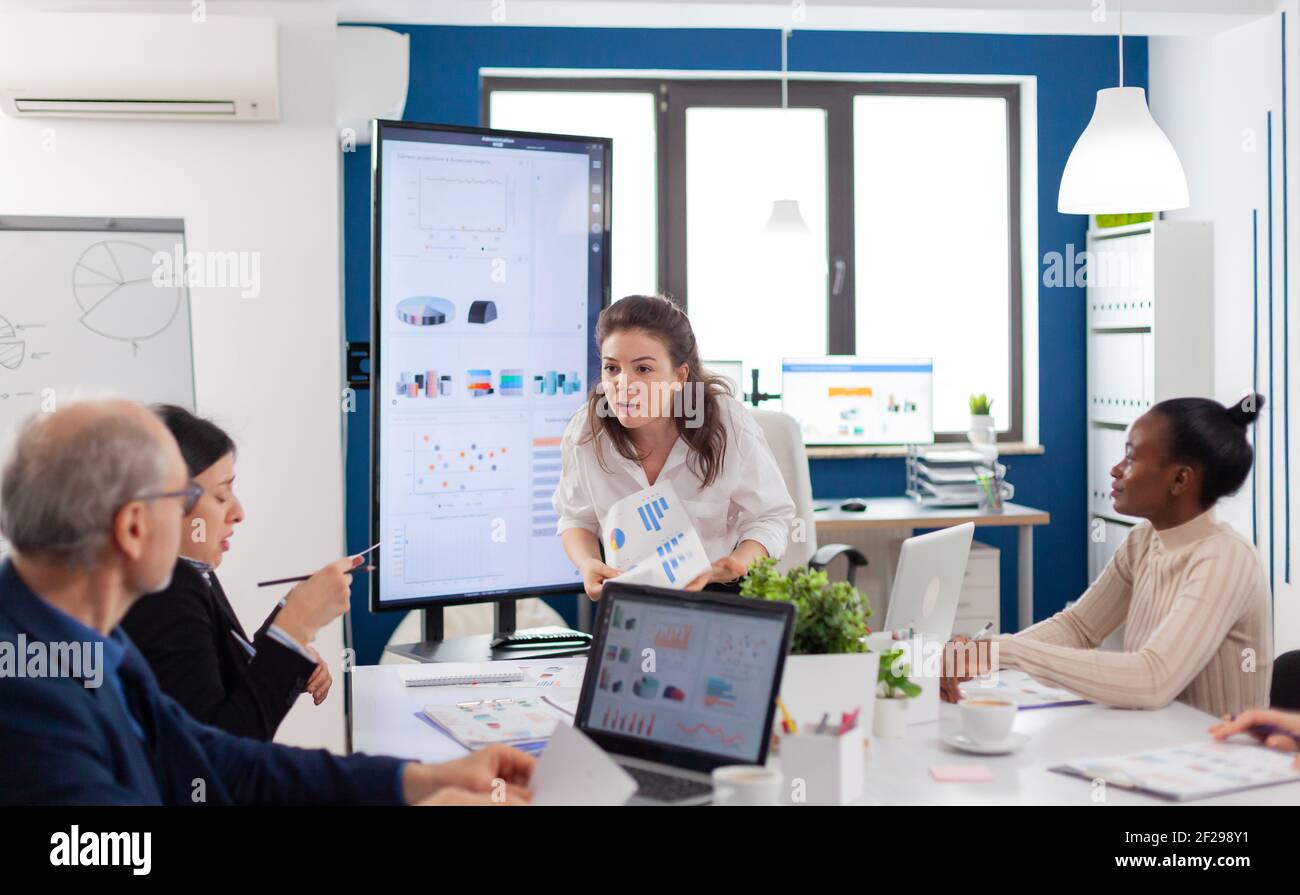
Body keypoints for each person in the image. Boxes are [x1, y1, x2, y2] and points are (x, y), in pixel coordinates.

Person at [0, 399, 533, 805]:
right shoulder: (26, 702)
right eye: (193, 498)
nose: (233, 512)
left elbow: (213, 759)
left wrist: (419, 780)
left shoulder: (97, 638)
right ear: (135, 527)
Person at [941, 394, 1272, 718]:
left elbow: (1152, 679)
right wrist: (985, 654)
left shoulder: (1226, 559)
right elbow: (1079, 628)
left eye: (1131, 457)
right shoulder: (1143, 540)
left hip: (1217, 760)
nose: (1116, 469)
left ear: (1180, 479)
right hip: (1157, 744)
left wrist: (1006, 651)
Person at [120, 405, 345, 740]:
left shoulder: (189, 573)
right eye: (222, 496)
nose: (238, 512)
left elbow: (226, 680)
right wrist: (295, 629)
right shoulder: (164, 591)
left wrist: (288, 636)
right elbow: (221, 749)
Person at [553, 294, 796, 600]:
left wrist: (735, 565)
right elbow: (576, 519)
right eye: (612, 368)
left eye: (643, 369)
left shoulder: (726, 422)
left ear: (679, 376)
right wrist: (588, 563)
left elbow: (770, 517)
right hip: (629, 600)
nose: (623, 384)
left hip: (716, 594)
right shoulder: (586, 431)